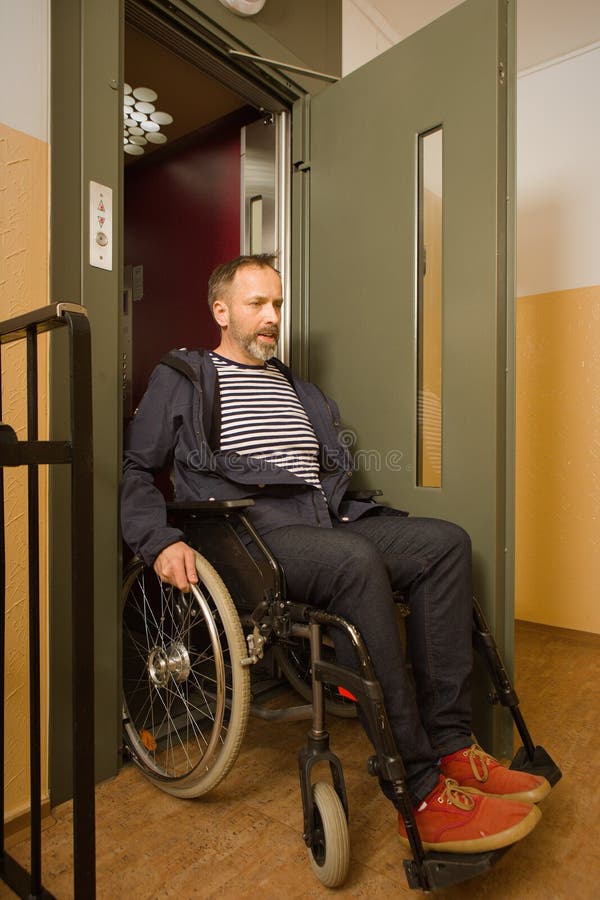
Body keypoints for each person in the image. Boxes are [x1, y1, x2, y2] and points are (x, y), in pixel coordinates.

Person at [121, 254, 551, 854]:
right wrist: (158, 538)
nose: (272, 317)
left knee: (445, 543)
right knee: (355, 562)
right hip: (250, 534)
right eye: (257, 305)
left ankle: (453, 747)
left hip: (326, 518)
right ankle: (420, 793)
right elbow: (138, 466)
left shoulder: (297, 385)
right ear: (221, 311)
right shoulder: (187, 377)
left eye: (277, 304)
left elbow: (329, 474)